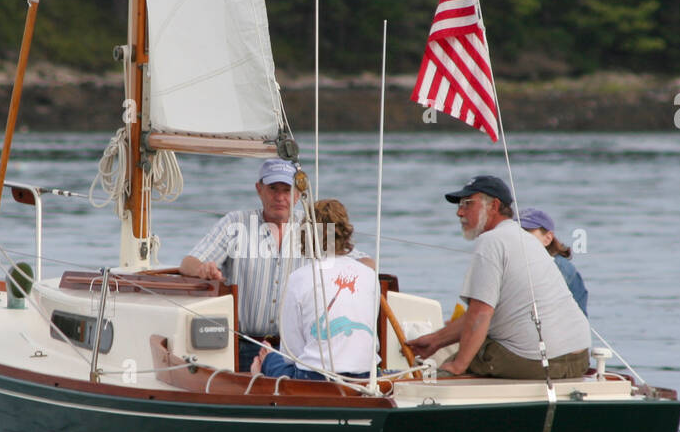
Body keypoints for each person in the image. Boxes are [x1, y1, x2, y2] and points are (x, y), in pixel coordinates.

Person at [407, 175, 591, 379]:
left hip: (543, 363)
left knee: (458, 361)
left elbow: (480, 314)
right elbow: (481, 313)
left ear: (493, 206)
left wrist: (458, 366)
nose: (460, 212)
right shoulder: (528, 240)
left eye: (468, 203)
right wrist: (435, 341)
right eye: (459, 205)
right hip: (580, 359)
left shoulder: (491, 241)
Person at [180, 158, 303, 369]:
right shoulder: (235, 223)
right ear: (259, 189)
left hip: (296, 347)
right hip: (243, 346)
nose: (280, 197)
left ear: (298, 195)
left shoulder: (313, 227)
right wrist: (203, 270)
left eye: (287, 190)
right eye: (273, 189)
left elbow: (356, 261)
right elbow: (187, 263)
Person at [252, 199, 378, 381]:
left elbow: (291, 354)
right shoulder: (369, 275)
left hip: (316, 378)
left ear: (307, 235)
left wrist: (269, 359)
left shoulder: (298, 279)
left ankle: (260, 368)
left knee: (270, 357)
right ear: (345, 233)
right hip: (367, 375)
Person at [519, 208, 588, 315]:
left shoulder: (561, 268)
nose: (519, 237)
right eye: (517, 232)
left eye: (527, 232)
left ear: (547, 238)